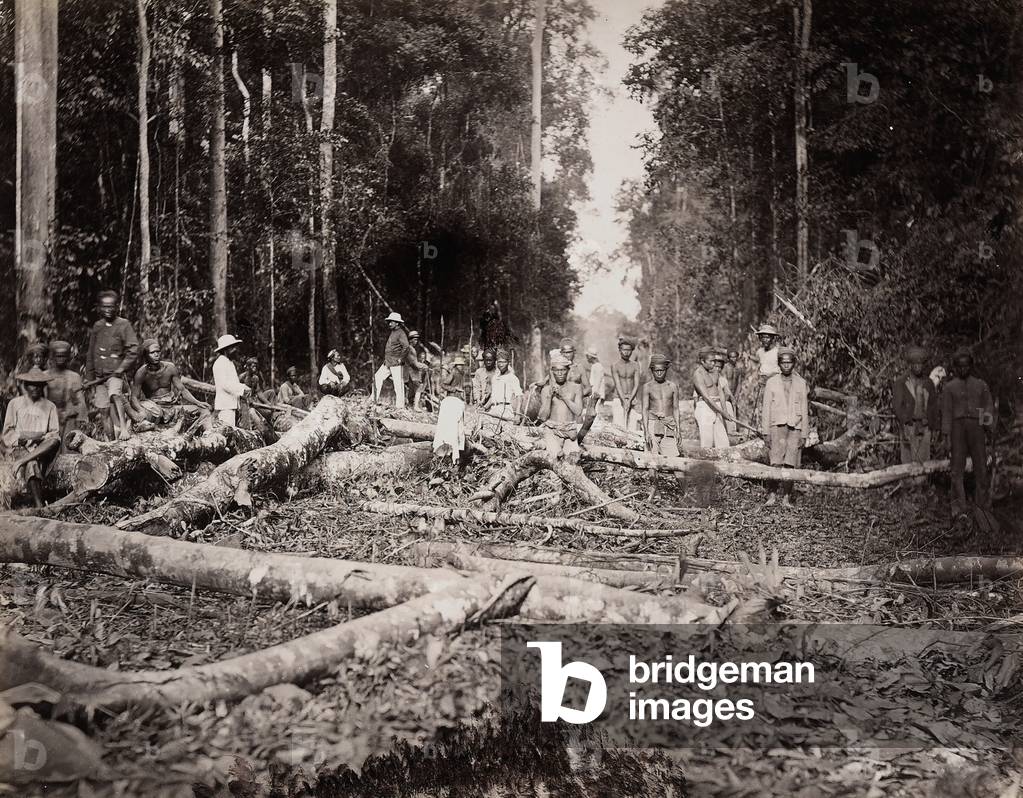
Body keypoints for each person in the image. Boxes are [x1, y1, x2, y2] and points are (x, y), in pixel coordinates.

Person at [941, 349, 993, 518]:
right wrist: (947, 437)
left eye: (966, 366)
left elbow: (987, 408)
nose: (963, 369)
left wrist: (988, 431)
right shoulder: (949, 387)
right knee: (956, 470)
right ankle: (958, 509)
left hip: (977, 428)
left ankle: (982, 507)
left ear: (971, 366)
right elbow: (947, 413)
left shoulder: (981, 385)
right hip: (957, 429)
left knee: (981, 467)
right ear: (955, 368)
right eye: (960, 366)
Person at [2, 367, 60, 508]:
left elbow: (54, 433)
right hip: (20, 447)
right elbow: (7, 432)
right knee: (32, 463)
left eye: (39, 385)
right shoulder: (15, 404)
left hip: (41, 447)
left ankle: (22, 461)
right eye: (32, 384)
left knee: (54, 440)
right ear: (26, 385)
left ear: (43, 386)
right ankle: (39, 505)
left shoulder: (50, 406)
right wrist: (20, 439)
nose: (36, 388)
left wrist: (40, 438)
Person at [85, 290, 138, 441]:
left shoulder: (124, 324)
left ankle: (123, 428)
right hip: (100, 377)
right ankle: (111, 441)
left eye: (111, 306)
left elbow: (133, 349)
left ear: (116, 307)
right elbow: (91, 352)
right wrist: (90, 377)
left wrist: (121, 368)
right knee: (103, 410)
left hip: (115, 374)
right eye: (105, 306)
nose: (108, 309)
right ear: (100, 308)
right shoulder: (98, 326)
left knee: (115, 394)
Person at [761, 347, 809, 507]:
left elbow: (804, 409)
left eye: (789, 362)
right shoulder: (771, 382)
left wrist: (804, 433)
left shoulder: (801, 383)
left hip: (795, 427)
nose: (786, 365)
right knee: (775, 462)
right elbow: (766, 408)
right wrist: (765, 432)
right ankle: (772, 495)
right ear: (779, 364)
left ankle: (787, 497)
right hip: (777, 426)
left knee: (791, 463)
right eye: (783, 362)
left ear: (794, 363)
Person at [130, 339, 211, 427]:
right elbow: (134, 398)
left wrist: (197, 402)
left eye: (158, 351)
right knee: (147, 416)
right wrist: (141, 410)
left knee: (203, 410)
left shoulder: (170, 368)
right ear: (146, 355)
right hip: (154, 410)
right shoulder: (141, 373)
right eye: (152, 353)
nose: (156, 355)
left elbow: (182, 390)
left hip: (172, 408)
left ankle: (208, 433)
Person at [893, 345, 940, 465]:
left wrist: (934, 428)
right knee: (908, 463)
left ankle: (922, 479)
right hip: (909, 426)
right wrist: (904, 425)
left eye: (920, 364)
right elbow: (897, 407)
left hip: (925, 426)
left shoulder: (928, 383)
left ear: (923, 365)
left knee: (924, 464)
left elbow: (933, 406)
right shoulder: (901, 382)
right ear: (910, 365)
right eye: (915, 364)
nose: (918, 367)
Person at [538, 353, 584, 460]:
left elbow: (578, 411)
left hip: (570, 431)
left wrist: (564, 397)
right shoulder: (546, 390)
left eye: (563, 370)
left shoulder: (576, 387)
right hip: (552, 431)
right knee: (554, 461)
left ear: (568, 370)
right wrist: (549, 397)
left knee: (571, 462)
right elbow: (543, 417)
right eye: (557, 370)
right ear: (552, 371)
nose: (560, 373)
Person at [641, 354, 682, 457]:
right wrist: (646, 431)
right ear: (652, 370)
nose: (659, 373)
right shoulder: (647, 387)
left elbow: (676, 409)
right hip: (652, 423)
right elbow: (645, 409)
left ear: (666, 370)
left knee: (672, 458)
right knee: (651, 459)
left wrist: (678, 430)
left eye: (662, 370)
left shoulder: (672, 386)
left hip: (668, 424)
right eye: (656, 370)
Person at [46, 341, 86, 443]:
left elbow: (79, 401)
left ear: (68, 357)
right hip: (49, 416)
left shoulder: (74, 377)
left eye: (63, 356)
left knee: (68, 445)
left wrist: (78, 420)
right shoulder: (45, 376)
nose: (61, 359)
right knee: (49, 445)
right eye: (58, 356)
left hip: (69, 416)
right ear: (53, 357)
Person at [692, 346, 732, 449]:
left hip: (717, 406)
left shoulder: (715, 371)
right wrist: (722, 412)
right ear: (702, 361)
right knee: (707, 443)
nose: (714, 363)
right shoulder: (698, 374)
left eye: (714, 360)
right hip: (705, 407)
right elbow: (706, 397)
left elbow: (720, 391)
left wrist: (724, 410)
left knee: (723, 443)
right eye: (711, 361)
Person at [212, 334, 250, 427]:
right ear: (226, 350)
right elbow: (225, 384)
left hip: (231, 404)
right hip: (225, 406)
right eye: (232, 348)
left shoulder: (229, 362)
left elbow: (232, 382)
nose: (235, 350)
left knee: (232, 430)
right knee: (226, 430)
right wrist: (242, 388)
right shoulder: (220, 363)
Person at [375, 311, 410, 408]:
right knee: (377, 377)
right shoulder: (393, 332)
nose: (389, 324)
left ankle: (400, 407)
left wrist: (401, 358)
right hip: (388, 362)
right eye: (389, 322)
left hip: (396, 362)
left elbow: (406, 347)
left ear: (397, 323)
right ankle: (373, 399)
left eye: (392, 322)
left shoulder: (401, 333)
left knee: (398, 384)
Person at [610, 335, 642, 433]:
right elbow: (618, 385)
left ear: (632, 351)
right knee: (618, 429)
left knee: (632, 430)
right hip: (618, 398)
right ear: (620, 350)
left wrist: (630, 400)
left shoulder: (635, 365)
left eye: (629, 350)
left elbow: (636, 384)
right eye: (624, 350)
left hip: (632, 399)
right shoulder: (615, 366)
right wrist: (624, 400)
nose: (626, 352)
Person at [483, 349, 523, 421]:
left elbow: (519, 397)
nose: (501, 365)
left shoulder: (512, 378)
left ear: (508, 363)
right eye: (499, 362)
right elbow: (493, 398)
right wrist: (484, 407)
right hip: (493, 410)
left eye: (503, 362)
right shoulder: (495, 378)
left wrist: (518, 414)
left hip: (505, 411)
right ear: (496, 363)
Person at [711, 348, 738, 437]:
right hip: (709, 403)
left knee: (728, 405)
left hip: (720, 402)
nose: (717, 369)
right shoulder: (705, 377)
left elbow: (727, 392)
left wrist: (732, 398)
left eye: (719, 367)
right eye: (715, 366)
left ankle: (731, 431)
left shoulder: (722, 379)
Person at [405, 331, 430, 410]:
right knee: (419, 387)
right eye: (414, 339)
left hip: (410, 371)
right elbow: (414, 363)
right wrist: (424, 366)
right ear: (410, 340)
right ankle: (415, 406)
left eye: (416, 340)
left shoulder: (410, 349)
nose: (416, 341)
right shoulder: (411, 349)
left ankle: (410, 405)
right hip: (412, 371)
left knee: (412, 389)